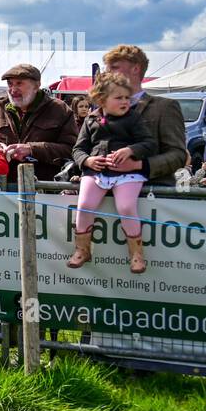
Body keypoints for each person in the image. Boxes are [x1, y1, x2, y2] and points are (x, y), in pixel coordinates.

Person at [66, 71, 156, 273]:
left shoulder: (134, 119)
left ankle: (136, 254)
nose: (125, 101)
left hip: (127, 173)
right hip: (95, 172)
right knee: (85, 205)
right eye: (119, 98)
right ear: (101, 100)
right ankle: (82, 249)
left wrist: (131, 150)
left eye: (127, 97)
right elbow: (77, 149)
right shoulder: (90, 120)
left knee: (125, 207)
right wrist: (87, 160)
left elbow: (150, 144)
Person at [98, 45, 187, 185]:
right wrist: (88, 163)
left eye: (114, 67)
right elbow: (82, 148)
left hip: (150, 194)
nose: (107, 72)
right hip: (103, 192)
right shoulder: (101, 109)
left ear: (135, 69)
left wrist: (138, 165)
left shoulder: (164, 107)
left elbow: (178, 156)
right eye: (107, 68)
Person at [0, 63, 77, 182]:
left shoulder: (60, 110)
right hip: (1, 187)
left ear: (36, 86)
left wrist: (32, 149)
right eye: (10, 84)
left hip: (44, 189)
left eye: (19, 83)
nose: (13, 90)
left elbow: (72, 150)